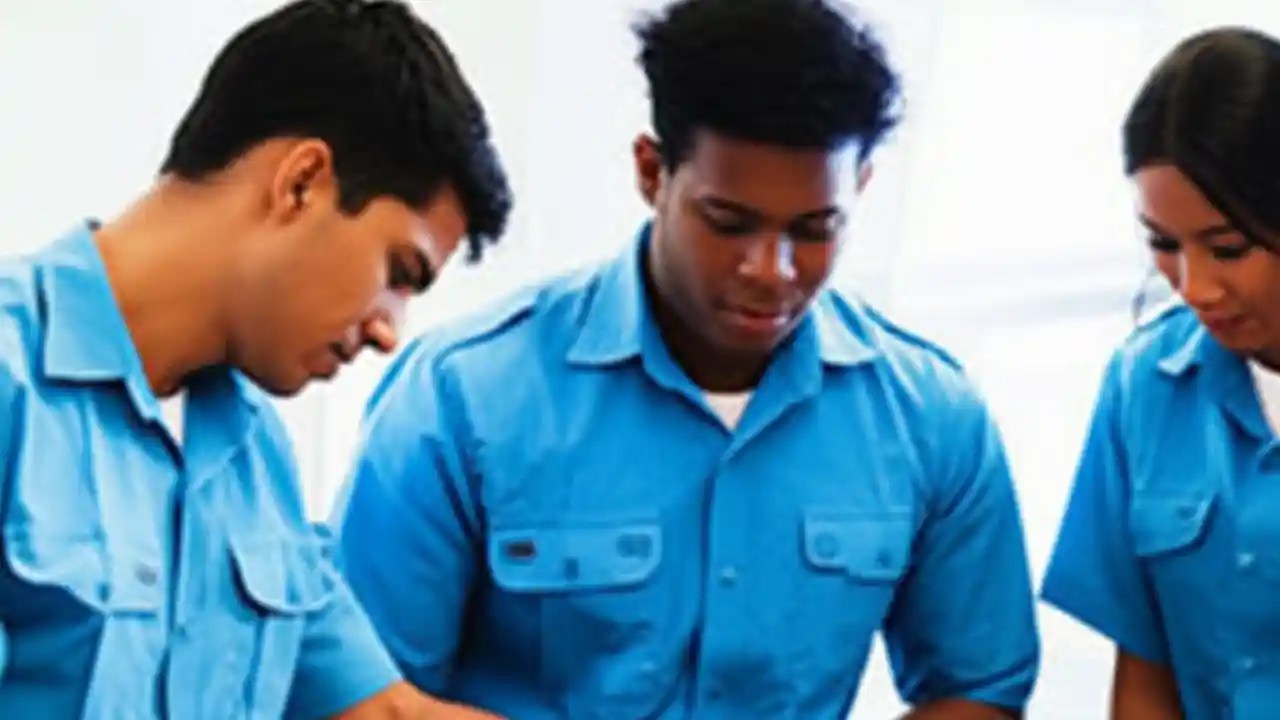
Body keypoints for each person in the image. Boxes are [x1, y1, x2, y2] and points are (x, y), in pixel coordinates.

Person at [332, 0, 1040, 717]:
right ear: (651, 172)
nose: (771, 270)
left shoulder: (933, 416)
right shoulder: (460, 398)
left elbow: (978, 686)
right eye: (728, 223)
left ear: (859, 189)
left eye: (814, 229)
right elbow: (360, 697)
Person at [0, 1, 511, 718]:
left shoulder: (254, 456)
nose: (389, 332)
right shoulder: (14, 382)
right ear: (302, 182)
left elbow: (386, 711)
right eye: (398, 272)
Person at [1041, 27, 1280, 720]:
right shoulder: (1143, 387)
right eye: (1164, 244)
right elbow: (1147, 674)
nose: (1194, 287)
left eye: (1227, 249)